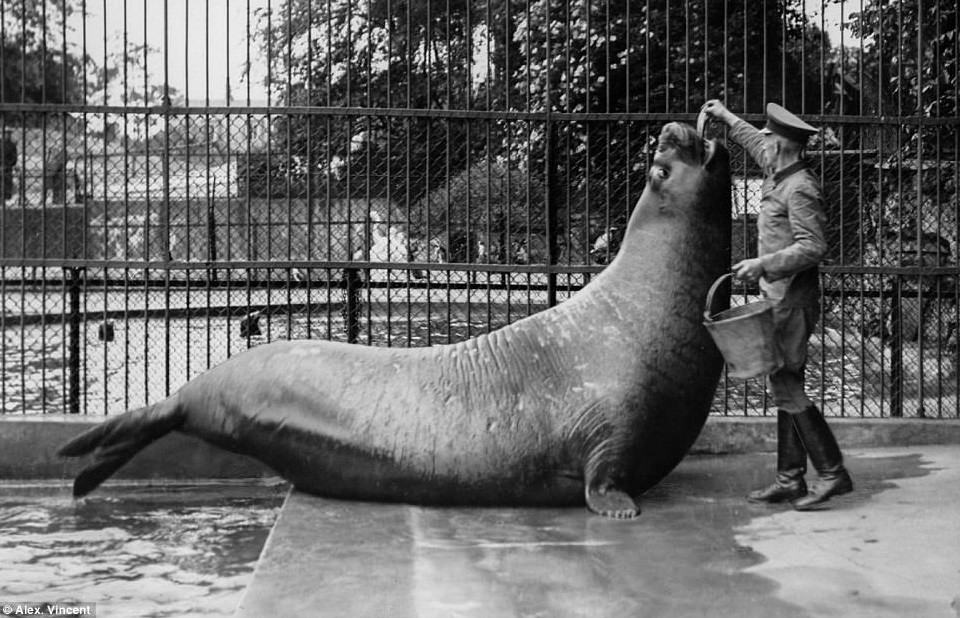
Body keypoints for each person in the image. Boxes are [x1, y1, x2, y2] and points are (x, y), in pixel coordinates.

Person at [703, 100, 854, 510]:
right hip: (779, 298)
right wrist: (726, 117)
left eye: (770, 137)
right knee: (786, 385)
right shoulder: (777, 166)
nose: (764, 142)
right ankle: (790, 478)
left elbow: (814, 246)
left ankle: (832, 472)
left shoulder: (800, 187)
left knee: (786, 384)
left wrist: (762, 264)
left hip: (791, 301)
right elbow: (753, 139)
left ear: (784, 145)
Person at [1, 128, 15, 204]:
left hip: (8, 167)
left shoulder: (12, 145)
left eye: (9, 133)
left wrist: (8, 164)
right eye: (6, 133)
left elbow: (14, 158)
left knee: (7, 185)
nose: (8, 135)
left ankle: (4, 200)